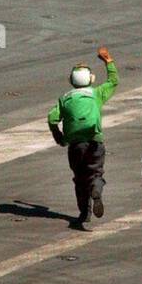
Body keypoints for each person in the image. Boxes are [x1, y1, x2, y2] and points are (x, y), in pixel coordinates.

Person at [47, 47, 118, 231]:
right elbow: (113, 81)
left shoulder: (64, 99)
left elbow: (52, 118)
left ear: (71, 81)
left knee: (79, 179)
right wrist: (108, 61)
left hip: (75, 146)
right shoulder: (96, 94)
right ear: (91, 79)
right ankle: (96, 190)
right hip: (95, 141)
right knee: (95, 174)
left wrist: (59, 137)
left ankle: (84, 213)